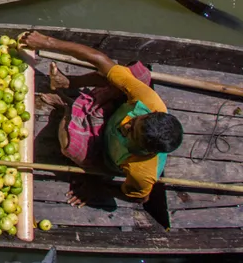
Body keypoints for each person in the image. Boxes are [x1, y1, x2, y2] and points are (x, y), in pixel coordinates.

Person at [18, 30, 183, 205]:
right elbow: (101, 61)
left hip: (103, 150)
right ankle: (67, 83)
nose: (126, 126)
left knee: (70, 147)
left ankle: (66, 107)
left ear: (146, 151)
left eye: (132, 133)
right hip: (108, 112)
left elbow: (140, 198)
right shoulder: (149, 102)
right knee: (135, 74)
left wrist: (98, 188)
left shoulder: (142, 171)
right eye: (134, 121)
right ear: (150, 113)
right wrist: (48, 42)